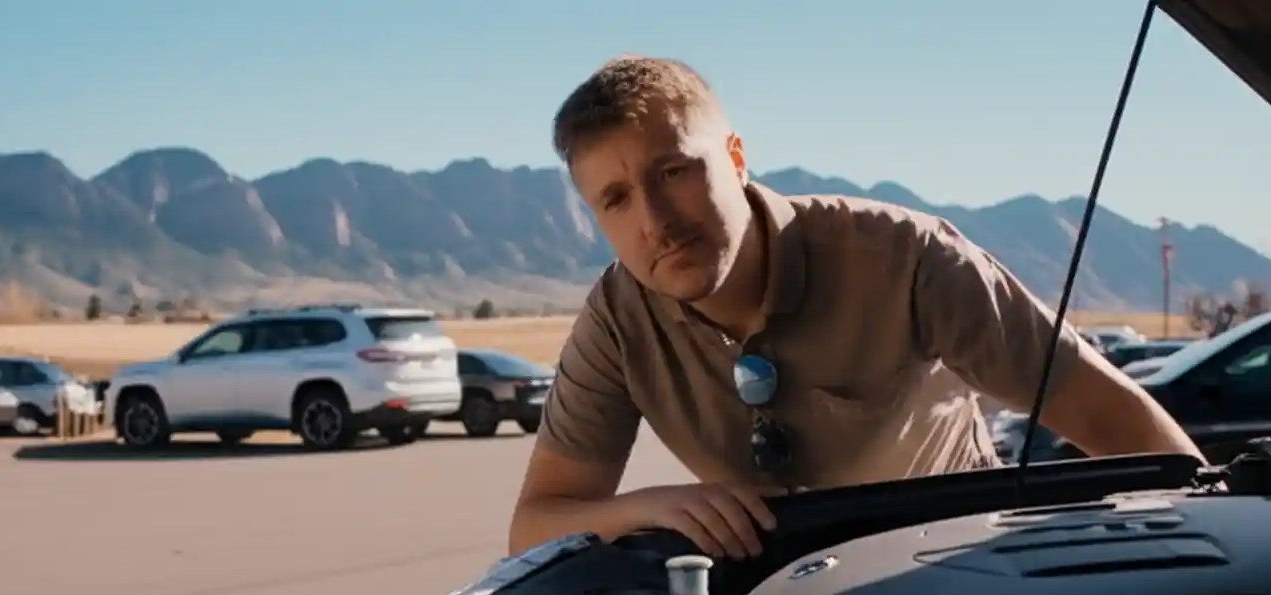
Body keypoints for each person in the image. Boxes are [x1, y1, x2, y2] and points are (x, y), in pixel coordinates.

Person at [508, 55, 1205, 559]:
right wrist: (647, 509)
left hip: (959, 563)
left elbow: (1112, 418)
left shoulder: (908, 258)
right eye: (616, 199)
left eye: (674, 171)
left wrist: (1213, 553)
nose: (654, 221)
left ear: (736, 156)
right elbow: (536, 525)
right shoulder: (618, 320)